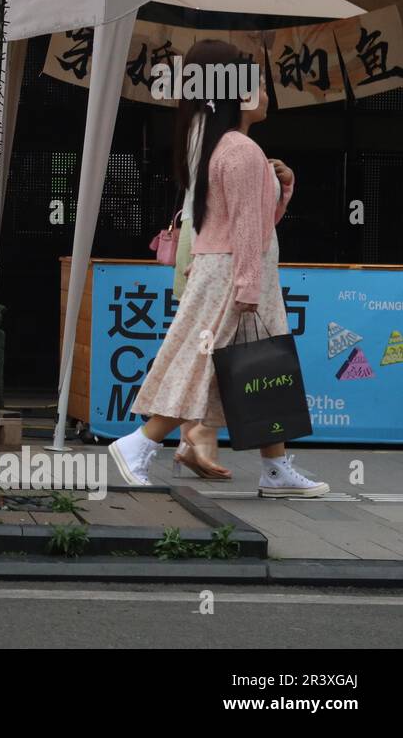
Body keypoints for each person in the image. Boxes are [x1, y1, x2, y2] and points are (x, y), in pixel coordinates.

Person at [110, 39, 329, 497]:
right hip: (239, 275)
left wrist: (281, 190)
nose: (267, 94)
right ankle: (139, 444)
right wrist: (248, 286)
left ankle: (275, 467)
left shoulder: (218, 146)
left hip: (228, 270)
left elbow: (236, 223)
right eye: (261, 85)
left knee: (261, 368)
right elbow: (248, 230)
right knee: (212, 365)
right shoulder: (242, 151)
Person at [168, 91, 230, 480]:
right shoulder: (215, 126)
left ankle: (189, 438)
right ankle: (194, 434)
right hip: (208, 238)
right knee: (207, 345)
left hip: (198, 234)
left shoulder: (195, 121)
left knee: (201, 343)